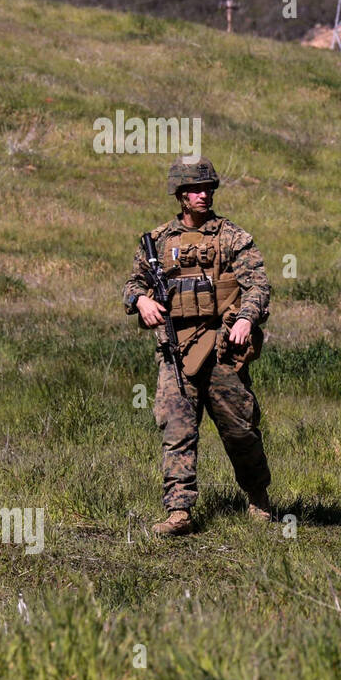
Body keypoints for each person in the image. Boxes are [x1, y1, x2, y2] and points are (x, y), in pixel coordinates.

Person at [123, 157, 273, 536]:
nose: (202, 195)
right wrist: (140, 301)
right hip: (177, 351)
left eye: (207, 189)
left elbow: (258, 285)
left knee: (240, 431)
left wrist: (244, 319)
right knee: (177, 430)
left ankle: (258, 497)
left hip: (222, 350)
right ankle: (179, 511)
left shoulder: (232, 237)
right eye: (194, 189)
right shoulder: (157, 242)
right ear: (180, 194)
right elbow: (132, 285)